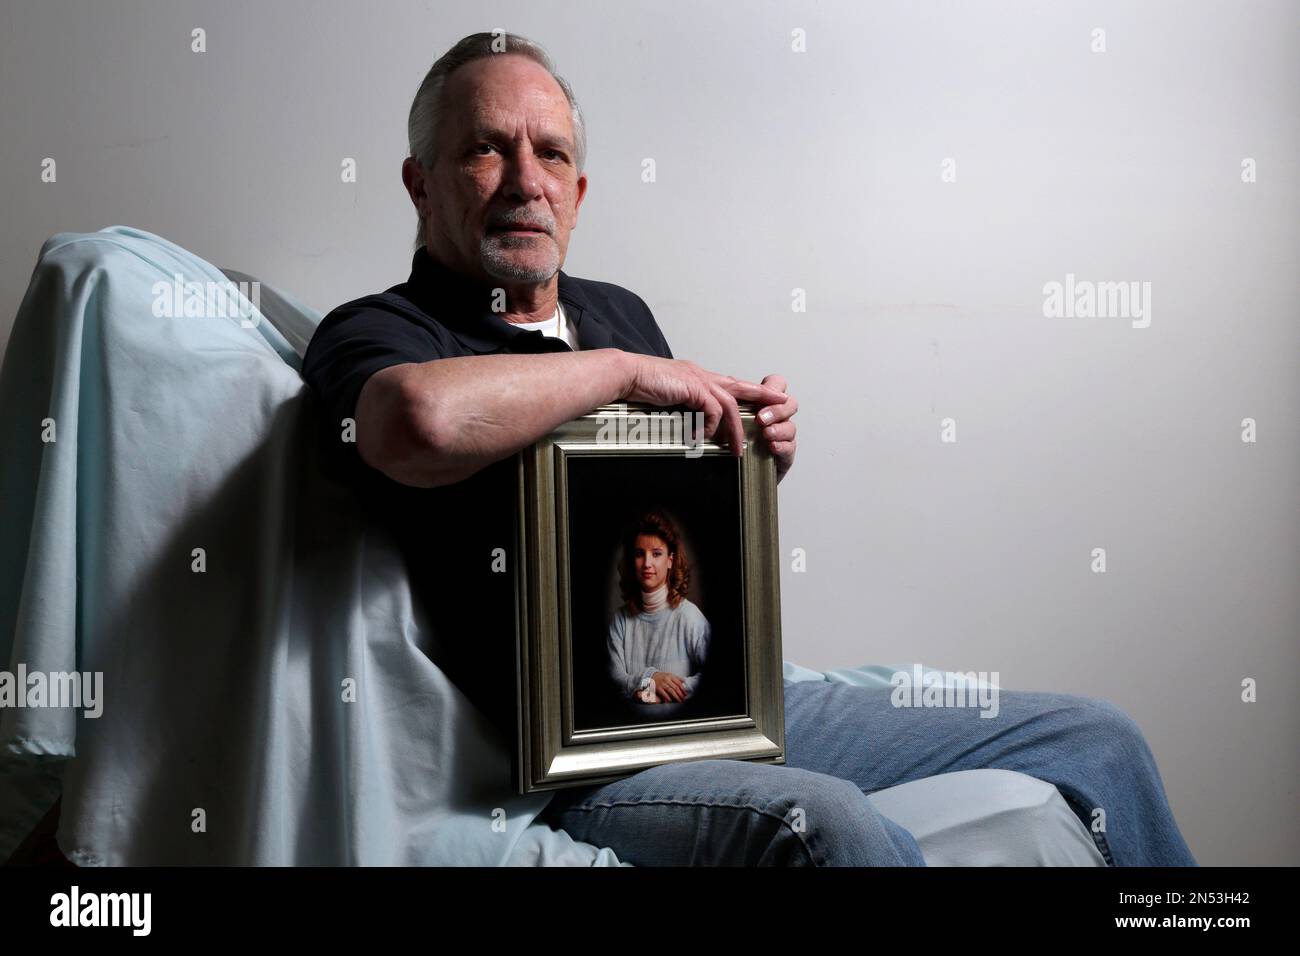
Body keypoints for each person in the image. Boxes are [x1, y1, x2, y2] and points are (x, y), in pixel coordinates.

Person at [300, 32, 1197, 866]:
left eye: (554, 154)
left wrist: (749, 463)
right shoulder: (382, 332)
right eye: (486, 148)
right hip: (581, 764)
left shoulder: (618, 310)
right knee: (833, 821)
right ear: (420, 185)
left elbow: (663, 522)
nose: (526, 181)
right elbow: (411, 424)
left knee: (1097, 735)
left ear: (579, 194)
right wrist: (622, 373)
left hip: (732, 704)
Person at [607, 511, 710, 707]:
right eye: (639, 554)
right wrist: (649, 678)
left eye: (656, 554)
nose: (647, 563)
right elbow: (615, 678)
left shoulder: (689, 617)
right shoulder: (620, 620)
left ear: (670, 560)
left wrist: (664, 692)